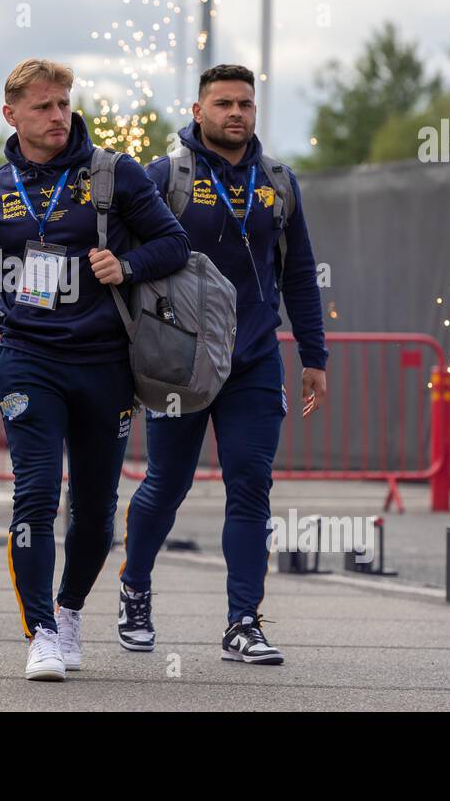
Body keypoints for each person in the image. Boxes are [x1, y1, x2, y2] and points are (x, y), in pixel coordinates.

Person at [0, 58, 190, 681]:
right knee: (33, 496)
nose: (58, 116)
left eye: (63, 104)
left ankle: (71, 607)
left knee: (95, 509)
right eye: (42, 107)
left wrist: (128, 267)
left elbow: (174, 244)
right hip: (27, 362)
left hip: (106, 364)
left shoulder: (113, 173)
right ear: (12, 115)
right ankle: (41, 632)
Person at [118, 63, 328, 664]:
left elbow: (299, 275)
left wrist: (313, 354)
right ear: (198, 110)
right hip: (180, 361)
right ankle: (134, 588)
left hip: (254, 360)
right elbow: (130, 266)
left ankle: (243, 622)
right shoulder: (165, 176)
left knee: (250, 486)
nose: (236, 114)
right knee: (167, 484)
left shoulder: (279, 182)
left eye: (246, 104)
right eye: (223, 104)